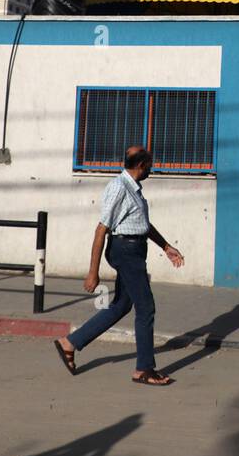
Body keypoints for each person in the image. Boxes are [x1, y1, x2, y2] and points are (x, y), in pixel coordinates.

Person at [54, 146, 184, 385]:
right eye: (150, 165)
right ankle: (144, 369)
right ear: (142, 165)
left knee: (122, 306)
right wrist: (92, 272)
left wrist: (166, 246)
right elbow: (101, 229)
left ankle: (70, 343)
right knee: (146, 307)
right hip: (125, 251)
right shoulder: (119, 188)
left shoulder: (134, 190)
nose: (152, 169)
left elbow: (142, 224)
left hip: (133, 249)